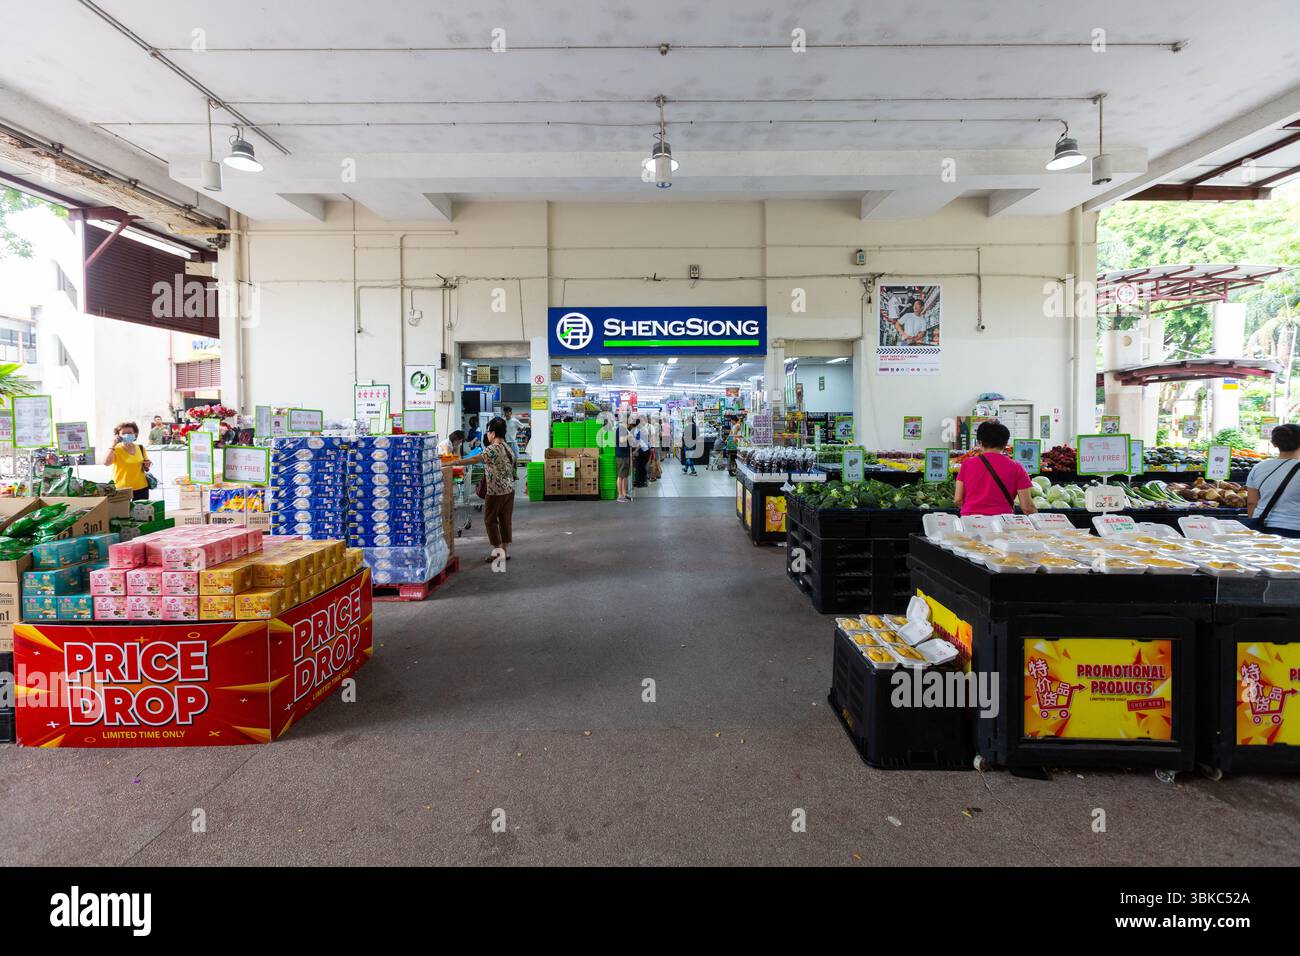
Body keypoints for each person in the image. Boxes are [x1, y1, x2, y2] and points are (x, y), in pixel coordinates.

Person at [454, 417, 516, 560]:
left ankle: (498, 552)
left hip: (496, 491)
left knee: (490, 520)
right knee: (505, 520)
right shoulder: (507, 446)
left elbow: (475, 459)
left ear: (493, 433)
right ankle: (505, 551)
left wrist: (455, 462)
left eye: (488, 431)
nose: (487, 434)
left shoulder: (492, 448)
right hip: (509, 490)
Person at [954, 420, 1037, 517]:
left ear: (980, 442)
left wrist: (972, 509)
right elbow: (1027, 507)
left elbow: (958, 499)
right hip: (1002, 521)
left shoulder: (967, 464)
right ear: (1005, 443)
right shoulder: (1016, 467)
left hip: (971, 521)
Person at [1246, 424, 1300, 539]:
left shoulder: (1258, 467)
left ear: (1274, 443)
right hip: (1296, 530)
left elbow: (1251, 502)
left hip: (1264, 528)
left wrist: (1254, 525)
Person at [103, 422, 153, 500]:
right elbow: (106, 463)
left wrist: (147, 465)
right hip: (122, 489)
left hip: (141, 487)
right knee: (123, 512)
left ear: (135, 434)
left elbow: (145, 465)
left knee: (141, 511)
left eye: (130, 433)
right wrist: (112, 445)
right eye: (123, 433)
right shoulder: (115, 449)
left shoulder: (140, 447)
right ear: (118, 435)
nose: (127, 435)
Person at [615, 414, 633, 502]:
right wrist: (628, 437)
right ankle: (620, 495)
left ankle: (624, 493)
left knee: (625, 475)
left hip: (625, 454)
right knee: (621, 475)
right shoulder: (621, 429)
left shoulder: (625, 429)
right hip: (621, 455)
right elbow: (622, 440)